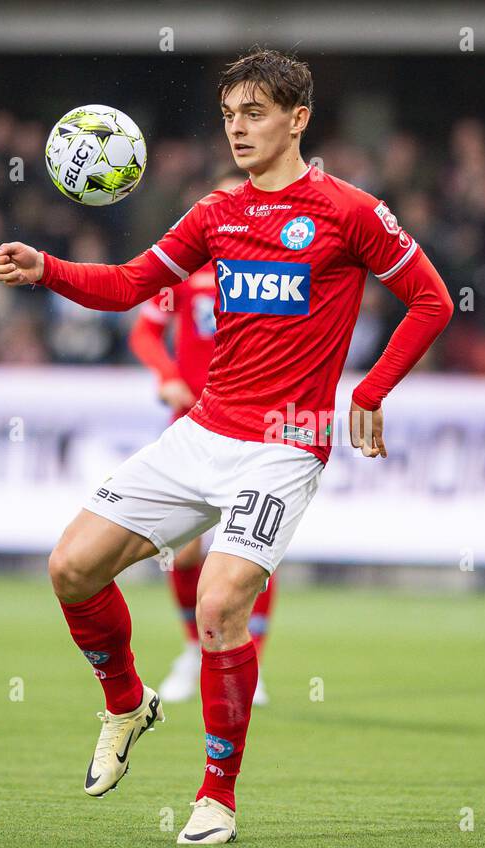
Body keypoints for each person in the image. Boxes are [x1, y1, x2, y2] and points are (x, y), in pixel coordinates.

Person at [0, 49, 453, 843]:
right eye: (230, 114)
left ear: (298, 119)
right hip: (204, 429)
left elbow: (431, 299)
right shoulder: (216, 212)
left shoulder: (351, 211)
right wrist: (47, 270)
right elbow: (134, 284)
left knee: (219, 602)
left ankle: (217, 796)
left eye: (256, 113)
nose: (238, 128)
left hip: (284, 445)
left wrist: (370, 391)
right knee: (69, 566)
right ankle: (127, 704)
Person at [127, 176, 277, 707]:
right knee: (181, 548)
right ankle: (194, 649)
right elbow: (143, 330)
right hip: (192, 420)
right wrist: (166, 373)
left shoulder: (274, 269)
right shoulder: (187, 268)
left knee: (249, 546)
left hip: (255, 425)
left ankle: (249, 656)